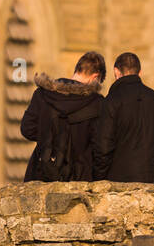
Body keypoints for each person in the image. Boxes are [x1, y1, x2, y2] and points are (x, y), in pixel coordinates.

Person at [21, 51, 106, 182]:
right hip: (80, 177)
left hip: (43, 172)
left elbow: (27, 129)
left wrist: (50, 138)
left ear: (77, 69)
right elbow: (99, 145)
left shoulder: (42, 94)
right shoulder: (97, 103)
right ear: (95, 77)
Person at [93, 52, 154, 184]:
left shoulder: (112, 101)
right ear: (139, 72)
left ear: (116, 71)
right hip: (153, 179)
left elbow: (103, 147)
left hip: (120, 181)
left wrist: (99, 178)